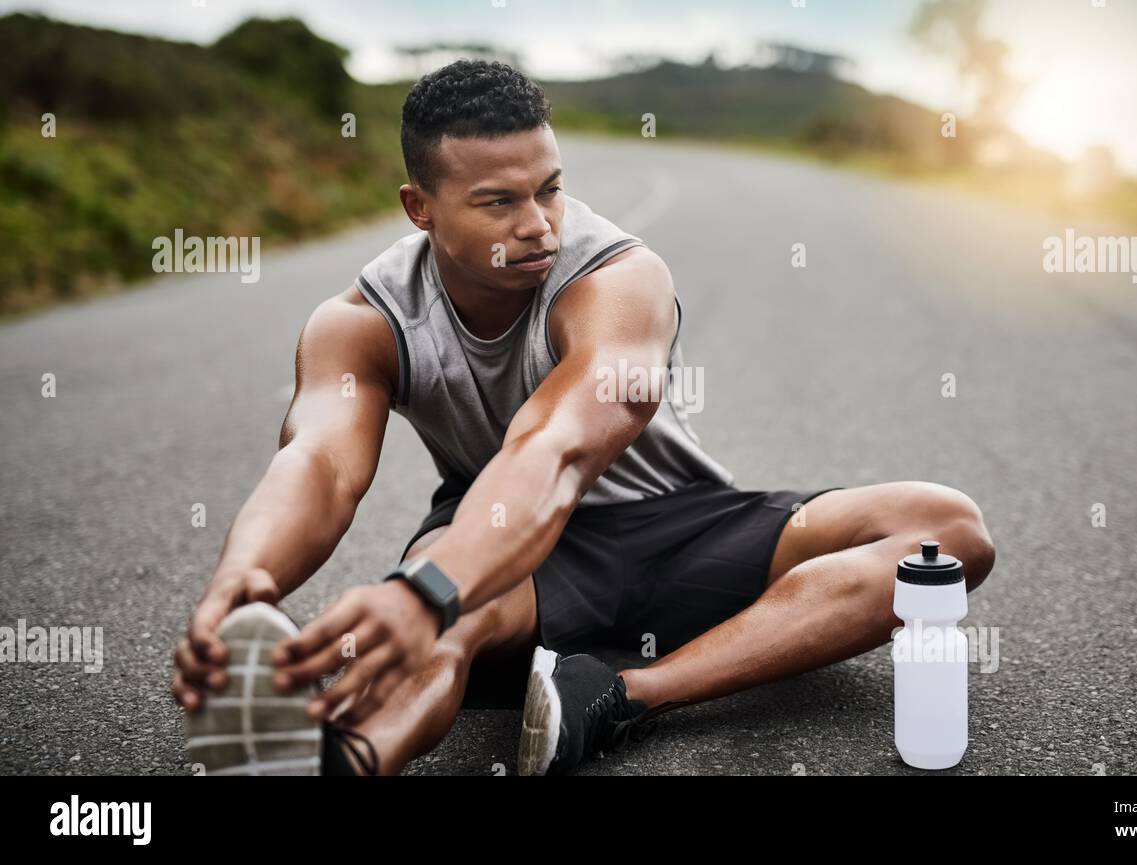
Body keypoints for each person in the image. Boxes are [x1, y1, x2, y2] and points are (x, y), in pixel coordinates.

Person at [172, 59, 996, 776]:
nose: (537, 225)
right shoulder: (362, 320)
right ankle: (341, 759)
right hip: (502, 539)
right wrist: (243, 585)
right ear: (419, 208)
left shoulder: (618, 274)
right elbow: (319, 461)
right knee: (445, 623)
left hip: (679, 526)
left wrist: (426, 589)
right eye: (497, 202)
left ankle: (621, 694)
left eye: (550, 189)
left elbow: (562, 444)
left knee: (945, 530)